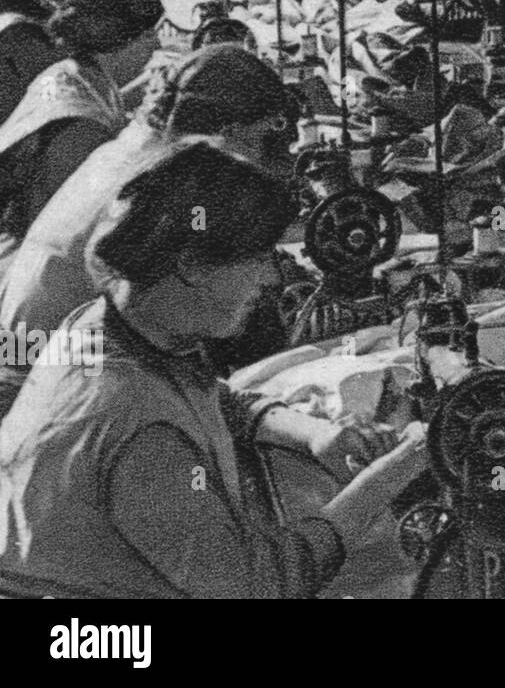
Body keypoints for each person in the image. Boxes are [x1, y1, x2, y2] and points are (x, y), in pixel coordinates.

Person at [0, 142, 429, 598]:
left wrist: (312, 434)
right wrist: (386, 480)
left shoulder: (115, 324)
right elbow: (256, 586)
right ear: (191, 265)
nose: (271, 277)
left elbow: (211, 398)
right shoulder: (139, 424)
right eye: (257, 257)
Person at [0, 44, 301, 416]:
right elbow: (199, 273)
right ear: (231, 130)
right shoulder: (167, 181)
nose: (261, 154)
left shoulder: (128, 149)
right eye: (260, 139)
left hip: (29, 356)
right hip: (48, 390)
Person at [0, 0, 161, 264]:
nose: (157, 46)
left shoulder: (65, 71)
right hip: (21, 261)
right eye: (152, 34)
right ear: (129, 38)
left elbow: (63, 105)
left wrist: (127, 96)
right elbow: (59, 222)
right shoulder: (82, 131)